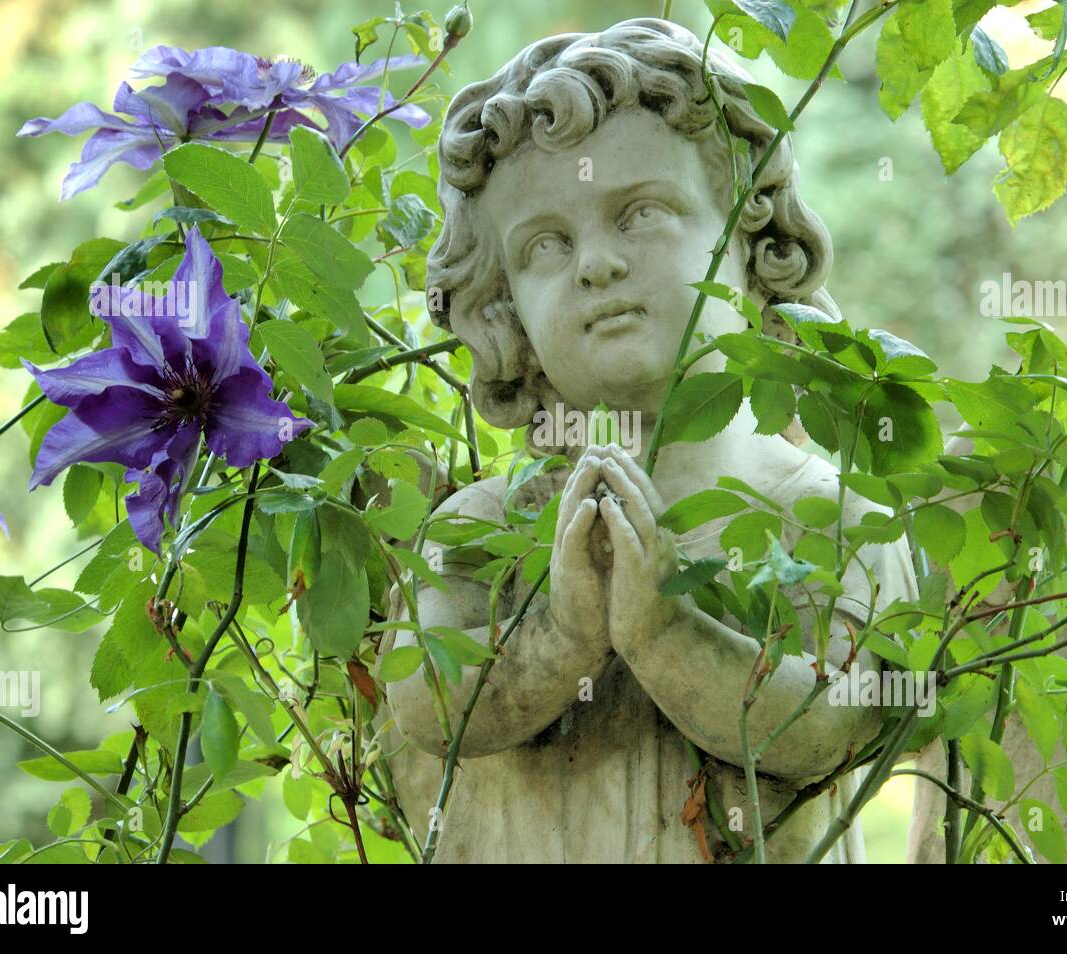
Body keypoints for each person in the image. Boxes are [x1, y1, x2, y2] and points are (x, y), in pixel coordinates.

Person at [375, 17, 919, 863]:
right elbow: (424, 702)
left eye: (640, 214)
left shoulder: (832, 517)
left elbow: (833, 723)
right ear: (502, 308)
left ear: (749, 239)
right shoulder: (478, 533)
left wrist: (666, 634)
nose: (595, 263)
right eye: (545, 244)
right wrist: (561, 640)